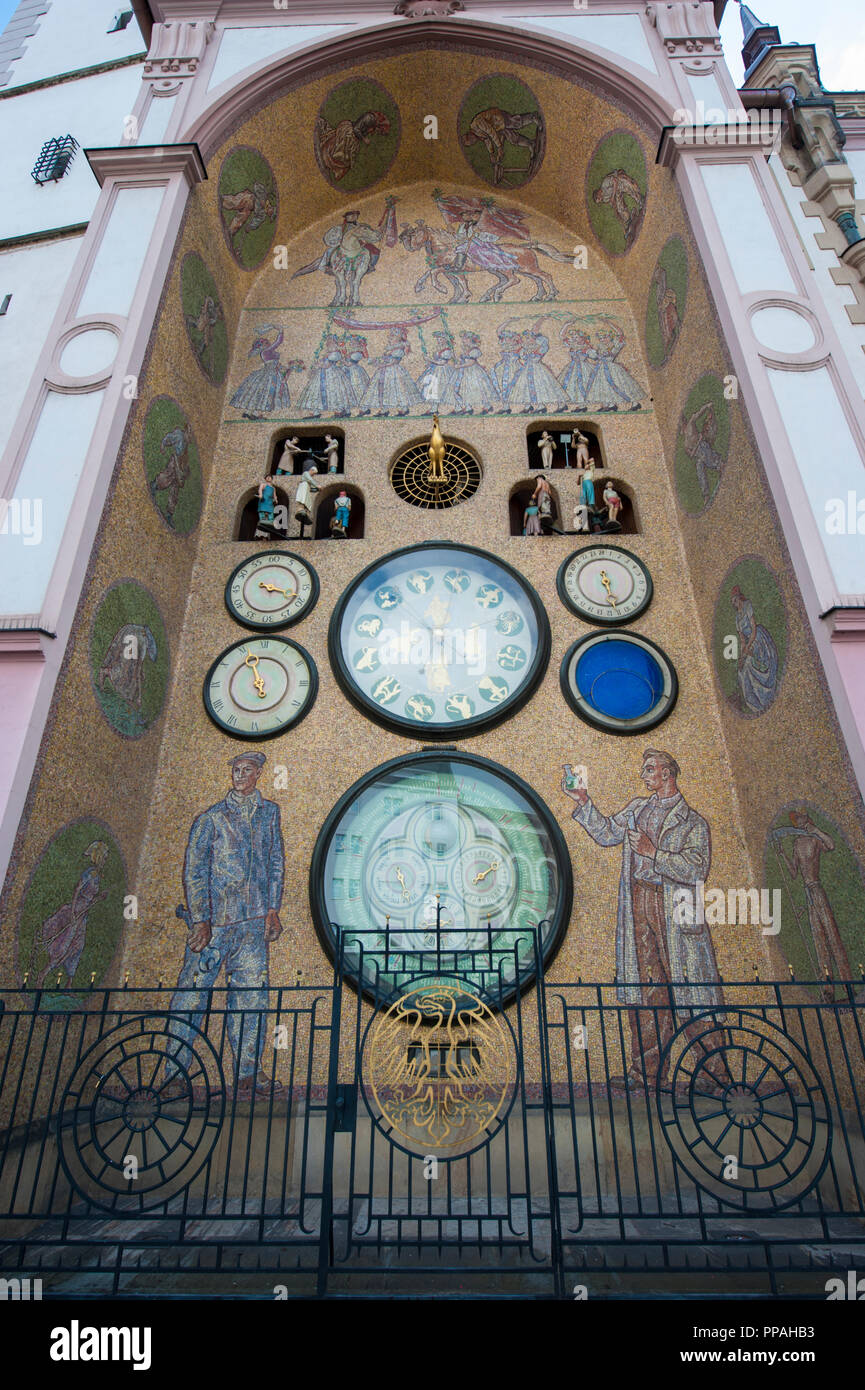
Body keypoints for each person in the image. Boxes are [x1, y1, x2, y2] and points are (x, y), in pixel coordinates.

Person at [563, 750, 730, 1092]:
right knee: (646, 992)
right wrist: (584, 801)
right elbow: (608, 832)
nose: (645, 774)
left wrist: (654, 853)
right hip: (639, 901)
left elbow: (697, 868)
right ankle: (647, 1075)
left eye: (651, 769)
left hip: (673, 907)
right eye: (644, 769)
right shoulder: (638, 809)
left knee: (689, 992)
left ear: (669, 773)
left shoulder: (692, 822)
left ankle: (717, 1076)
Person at [165, 753, 285, 1100]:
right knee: (191, 996)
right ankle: (173, 1071)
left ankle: (247, 1072)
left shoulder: (269, 813)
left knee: (251, 999)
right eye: (235, 769)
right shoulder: (212, 818)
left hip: (252, 925)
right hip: (215, 925)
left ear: (259, 774)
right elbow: (195, 869)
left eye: (247, 769)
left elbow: (276, 861)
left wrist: (272, 909)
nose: (240, 774)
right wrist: (200, 917)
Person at [777, 810, 857, 1002]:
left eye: (802, 818)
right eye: (797, 819)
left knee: (832, 935)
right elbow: (794, 872)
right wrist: (782, 854)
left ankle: (848, 984)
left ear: (808, 820)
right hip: (807, 892)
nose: (800, 821)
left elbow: (831, 844)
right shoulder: (797, 844)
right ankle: (827, 988)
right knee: (818, 939)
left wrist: (817, 831)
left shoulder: (814, 840)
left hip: (817, 889)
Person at [30, 841, 108, 987]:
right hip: (76, 911)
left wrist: (99, 898)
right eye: (105, 855)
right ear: (99, 856)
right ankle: (42, 976)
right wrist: (72, 913)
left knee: (78, 946)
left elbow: (90, 898)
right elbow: (77, 891)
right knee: (64, 945)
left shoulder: (98, 875)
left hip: (83, 914)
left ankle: (69, 984)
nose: (106, 858)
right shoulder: (90, 873)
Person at [731, 586, 779, 713]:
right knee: (741, 669)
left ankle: (764, 695)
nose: (734, 605)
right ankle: (754, 702)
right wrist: (742, 655)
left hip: (757, 637)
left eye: (734, 601)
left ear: (739, 598)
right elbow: (742, 640)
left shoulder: (747, 606)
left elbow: (753, 628)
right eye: (732, 603)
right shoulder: (737, 618)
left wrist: (748, 647)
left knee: (748, 664)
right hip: (748, 643)